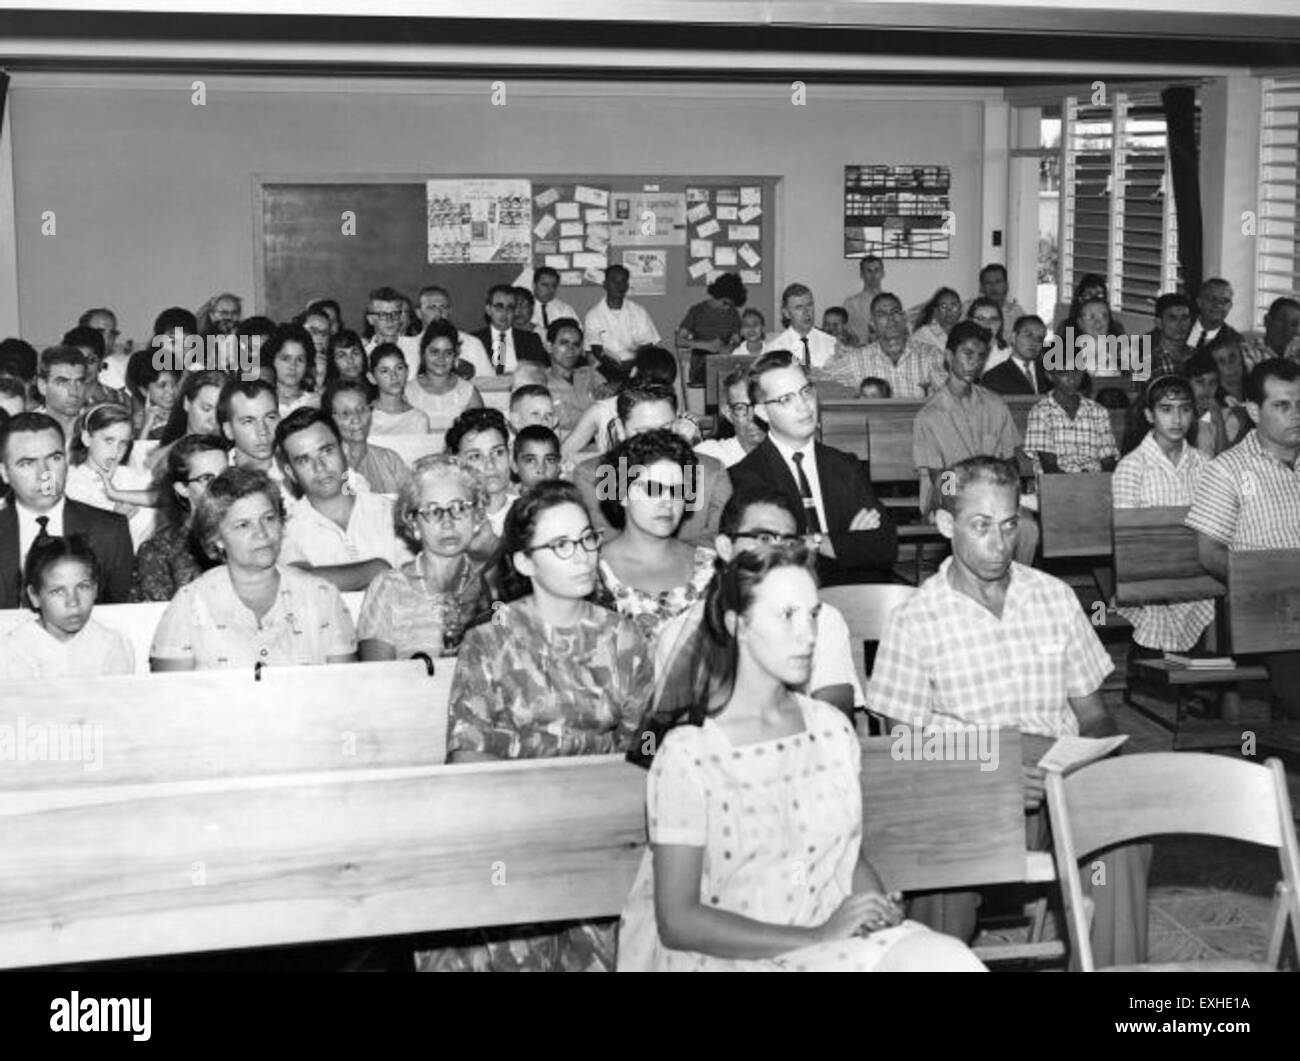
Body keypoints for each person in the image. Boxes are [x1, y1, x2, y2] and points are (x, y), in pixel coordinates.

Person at [617, 544, 986, 973]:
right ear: (738, 624)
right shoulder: (689, 753)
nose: (808, 635)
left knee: (946, 959)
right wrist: (816, 937)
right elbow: (677, 921)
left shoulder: (830, 729)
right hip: (729, 956)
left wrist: (875, 908)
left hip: (830, 942)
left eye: (812, 614)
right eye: (786, 616)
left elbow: (847, 855)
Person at [870, 456, 1150, 968]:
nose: (999, 544)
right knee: (939, 851)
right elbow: (903, 748)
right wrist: (992, 770)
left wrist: (1092, 760)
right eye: (981, 527)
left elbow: (1092, 714)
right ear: (946, 524)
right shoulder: (916, 618)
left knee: (1122, 838)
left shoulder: (1053, 597)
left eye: (1008, 525)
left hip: (1059, 784)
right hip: (966, 791)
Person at [419, 481, 652, 972]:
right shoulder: (490, 641)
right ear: (525, 562)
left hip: (603, 836)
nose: (583, 556)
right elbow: (467, 758)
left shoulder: (624, 637)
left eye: (587, 539)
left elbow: (648, 745)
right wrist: (545, 809)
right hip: (513, 835)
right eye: (561, 546)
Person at [653, 488, 865, 718]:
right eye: (763, 538)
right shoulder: (683, 637)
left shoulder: (821, 619)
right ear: (725, 547)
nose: (778, 550)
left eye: (789, 540)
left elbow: (834, 710)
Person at [149, 466, 357, 671]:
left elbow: (343, 693)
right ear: (217, 538)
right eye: (243, 525)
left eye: (269, 518)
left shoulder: (321, 596)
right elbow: (172, 698)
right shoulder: (192, 603)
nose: (262, 533)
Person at [1187, 359, 1300, 720]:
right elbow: (1208, 552)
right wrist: (1261, 581)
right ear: (1253, 410)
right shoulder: (1228, 470)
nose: (1296, 414)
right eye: (1282, 406)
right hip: (1269, 609)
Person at [730, 351, 896, 586]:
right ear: (762, 413)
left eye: (806, 391)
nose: (804, 406)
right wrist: (845, 544)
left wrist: (814, 542)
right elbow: (772, 558)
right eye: (786, 399)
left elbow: (885, 545)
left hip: (851, 593)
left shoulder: (845, 465)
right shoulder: (746, 476)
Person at [912, 322, 1039, 564]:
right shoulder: (930, 416)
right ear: (949, 357)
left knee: (1026, 527)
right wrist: (966, 502)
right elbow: (941, 481)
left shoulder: (995, 404)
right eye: (967, 354)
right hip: (949, 499)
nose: (974, 362)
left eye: (981, 356)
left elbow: (1010, 463)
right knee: (977, 525)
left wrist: (1003, 495)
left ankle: (1012, 588)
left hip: (994, 494)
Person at [1112, 376, 1215, 658]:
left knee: (1219, 597)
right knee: (1161, 609)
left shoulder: (1205, 464)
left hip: (1197, 572)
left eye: (1184, 409)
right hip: (1149, 575)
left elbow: (1214, 527)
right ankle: (1155, 673)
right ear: (1149, 415)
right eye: (1166, 409)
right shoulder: (1132, 467)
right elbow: (1129, 541)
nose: (1177, 418)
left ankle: (1204, 689)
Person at [356, 454, 490, 661]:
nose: (447, 522)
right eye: (433, 511)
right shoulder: (388, 588)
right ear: (414, 524)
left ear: (476, 517)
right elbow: (377, 681)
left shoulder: (492, 583)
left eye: (459, 508)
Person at [593, 428, 716, 645]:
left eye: (678, 491)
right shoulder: (591, 569)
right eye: (652, 489)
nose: (667, 501)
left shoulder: (710, 568)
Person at [0, 412, 134, 607]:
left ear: (66, 461)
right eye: (27, 463)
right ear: (4, 473)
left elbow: (118, 614)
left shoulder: (111, 532)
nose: (45, 475)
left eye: (54, 458)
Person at [575, 381, 730, 547]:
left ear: (678, 426)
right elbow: (600, 541)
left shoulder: (711, 473)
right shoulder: (592, 475)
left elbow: (720, 541)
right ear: (620, 429)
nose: (657, 441)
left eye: (665, 429)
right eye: (644, 432)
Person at [274, 408, 409, 592]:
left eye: (326, 451)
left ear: (344, 450)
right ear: (291, 473)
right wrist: (377, 568)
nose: (320, 467)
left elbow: (415, 581)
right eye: (304, 460)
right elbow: (294, 581)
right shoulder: (284, 529)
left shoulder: (392, 513)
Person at [0, 534, 134, 679]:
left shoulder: (111, 645)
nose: (73, 602)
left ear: (95, 588)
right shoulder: (14, 650)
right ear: (34, 596)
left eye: (83, 587)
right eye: (57, 591)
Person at [131, 434, 227, 602]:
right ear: (183, 489)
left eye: (225, 475)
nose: (221, 486)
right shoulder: (159, 551)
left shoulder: (252, 533)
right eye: (206, 479)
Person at [65, 401, 159, 549]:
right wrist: (116, 519)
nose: (116, 451)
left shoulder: (130, 476)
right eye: (109, 440)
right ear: (87, 438)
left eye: (123, 443)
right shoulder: (70, 482)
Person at [821, 292, 945, 397]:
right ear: (872, 323)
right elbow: (822, 378)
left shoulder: (930, 355)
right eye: (882, 314)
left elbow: (949, 395)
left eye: (895, 312)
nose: (890, 318)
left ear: (904, 318)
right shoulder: (857, 359)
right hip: (877, 424)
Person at [1023, 363, 1119, 474]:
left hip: (1094, 481)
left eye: (1077, 372)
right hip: (1056, 484)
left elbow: (1108, 461)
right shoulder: (1041, 411)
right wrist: (1076, 483)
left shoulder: (1098, 411)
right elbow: (1049, 466)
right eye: (1064, 373)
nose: (1072, 379)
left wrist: (1101, 482)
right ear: (1050, 376)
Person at [445, 407, 517, 555]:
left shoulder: (530, 512)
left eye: (498, 452)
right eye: (476, 456)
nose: (490, 464)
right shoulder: (449, 521)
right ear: (456, 463)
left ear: (510, 455)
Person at [325, 379, 409, 497]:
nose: (356, 419)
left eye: (361, 410)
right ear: (330, 420)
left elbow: (411, 501)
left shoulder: (389, 459)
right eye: (345, 413)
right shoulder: (327, 467)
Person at [404, 319, 482, 432]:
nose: (441, 358)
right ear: (423, 353)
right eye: (434, 352)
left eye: (448, 353)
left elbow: (478, 436)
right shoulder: (407, 392)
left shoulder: (468, 392)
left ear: (455, 356)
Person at [676, 272, 745, 386]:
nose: (727, 308)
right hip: (701, 366)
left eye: (731, 305)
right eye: (725, 303)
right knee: (712, 371)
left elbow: (737, 342)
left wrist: (728, 348)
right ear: (716, 295)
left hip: (724, 364)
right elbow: (679, 340)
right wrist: (706, 345)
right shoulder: (697, 311)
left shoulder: (733, 314)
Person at [584, 264, 661, 364]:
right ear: (605, 284)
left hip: (635, 365)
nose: (619, 285)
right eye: (614, 280)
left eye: (623, 281)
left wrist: (634, 363)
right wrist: (614, 367)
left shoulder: (639, 312)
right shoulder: (593, 315)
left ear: (627, 286)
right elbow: (595, 349)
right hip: (605, 366)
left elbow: (649, 343)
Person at [414, 285, 492, 378]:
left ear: (449, 311)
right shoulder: (408, 346)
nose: (438, 313)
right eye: (432, 308)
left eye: (443, 307)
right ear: (419, 313)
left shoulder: (472, 344)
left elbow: (492, 385)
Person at [695, 367, 765, 468]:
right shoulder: (705, 453)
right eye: (740, 408)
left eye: (758, 406)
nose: (752, 417)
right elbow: (689, 483)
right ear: (728, 414)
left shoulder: (789, 453)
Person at [473, 284, 549, 376]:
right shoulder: (474, 340)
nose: (505, 313)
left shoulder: (531, 340)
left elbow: (540, 372)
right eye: (499, 307)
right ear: (488, 310)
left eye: (510, 307)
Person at [763, 282, 837, 370]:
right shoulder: (775, 349)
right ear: (786, 313)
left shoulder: (831, 343)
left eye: (809, 305)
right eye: (799, 307)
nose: (806, 312)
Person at [218, 378, 282, 477]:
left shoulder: (295, 472)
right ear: (228, 430)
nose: (263, 431)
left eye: (270, 417)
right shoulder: (214, 474)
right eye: (249, 421)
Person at [544, 318, 598, 435]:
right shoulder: (541, 382)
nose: (571, 349)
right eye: (564, 343)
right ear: (549, 346)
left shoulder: (591, 374)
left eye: (576, 344)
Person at [367, 343, 430, 436]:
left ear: (407, 371)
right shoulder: (364, 416)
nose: (394, 376)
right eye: (385, 371)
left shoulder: (419, 419)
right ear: (371, 377)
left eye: (399, 368)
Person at [980, 314, 1051, 396]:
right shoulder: (994, 377)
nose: (1034, 342)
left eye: (1039, 339)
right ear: (1013, 337)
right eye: (1028, 335)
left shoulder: (1049, 373)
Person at [61, 325, 129, 409]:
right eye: (78, 360)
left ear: (101, 362)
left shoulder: (119, 400)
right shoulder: (58, 401)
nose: (84, 367)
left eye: (90, 360)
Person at [363, 286, 422, 379]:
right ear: (370, 319)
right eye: (382, 314)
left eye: (394, 314)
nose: (389, 320)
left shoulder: (417, 347)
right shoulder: (365, 356)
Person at [262, 324, 319, 417]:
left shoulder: (316, 403)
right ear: (272, 360)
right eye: (285, 359)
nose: (293, 366)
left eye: (300, 360)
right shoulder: (260, 402)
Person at [124, 349, 180, 441]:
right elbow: (137, 454)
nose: (171, 391)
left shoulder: (187, 414)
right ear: (144, 390)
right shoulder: (134, 424)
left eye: (174, 384)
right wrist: (146, 426)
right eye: (162, 386)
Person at [34, 345, 87, 440]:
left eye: (79, 382)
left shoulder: (98, 427)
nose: (74, 392)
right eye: (63, 382)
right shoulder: (27, 431)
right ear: (42, 386)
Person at [962, 263, 1027, 332]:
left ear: (1006, 285)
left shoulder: (1016, 312)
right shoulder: (968, 307)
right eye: (988, 283)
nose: (993, 286)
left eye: (998, 282)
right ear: (981, 287)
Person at [1243, 296, 1300, 370]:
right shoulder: (1247, 352)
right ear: (1267, 321)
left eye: (1293, 324)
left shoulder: (1296, 355)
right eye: (1281, 321)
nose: (1286, 329)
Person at [1188, 278, 1241, 354]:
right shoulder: (1180, 328)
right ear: (1199, 302)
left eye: (1224, 301)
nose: (1218, 305)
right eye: (1213, 299)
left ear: (1230, 306)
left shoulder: (1235, 341)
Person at [1148, 293, 1194, 379]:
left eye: (1185, 318)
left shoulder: (1196, 355)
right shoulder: (1147, 359)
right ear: (1159, 323)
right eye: (1173, 318)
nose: (1180, 324)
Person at [843, 254, 885, 346]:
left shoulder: (890, 302)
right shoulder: (851, 303)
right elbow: (845, 334)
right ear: (862, 274)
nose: (873, 275)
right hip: (860, 353)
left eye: (877, 270)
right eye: (869, 271)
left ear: (882, 273)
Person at [321, 329, 375, 400]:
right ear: (333, 361)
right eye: (342, 355)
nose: (350, 360)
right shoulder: (327, 396)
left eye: (355, 353)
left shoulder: (377, 388)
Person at [965, 298, 1013, 373]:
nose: (987, 324)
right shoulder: (959, 352)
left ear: (1000, 323)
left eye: (993, 319)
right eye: (981, 318)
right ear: (970, 321)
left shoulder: (1009, 355)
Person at [512, 425, 563, 490]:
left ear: (559, 465)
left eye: (550, 460)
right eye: (530, 460)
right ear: (514, 465)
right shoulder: (505, 499)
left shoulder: (569, 499)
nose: (541, 470)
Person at [295, 305, 334, 390]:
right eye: (314, 331)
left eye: (325, 333)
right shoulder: (287, 361)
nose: (320, 336)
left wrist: (320, 376)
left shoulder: (333, 367)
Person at [913, 287, 963, 352]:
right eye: (943, 307)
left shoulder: (967, 331)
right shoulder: (924, 334)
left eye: (953, 306)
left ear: (960, 309)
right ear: (936, 311)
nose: (949, 310)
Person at [530, 266, 577, 335]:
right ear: (534, 285)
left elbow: (576, 334)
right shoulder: (523, 308)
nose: (549, 290)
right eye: (544, 285)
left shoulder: (564, 309)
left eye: (553, 286)